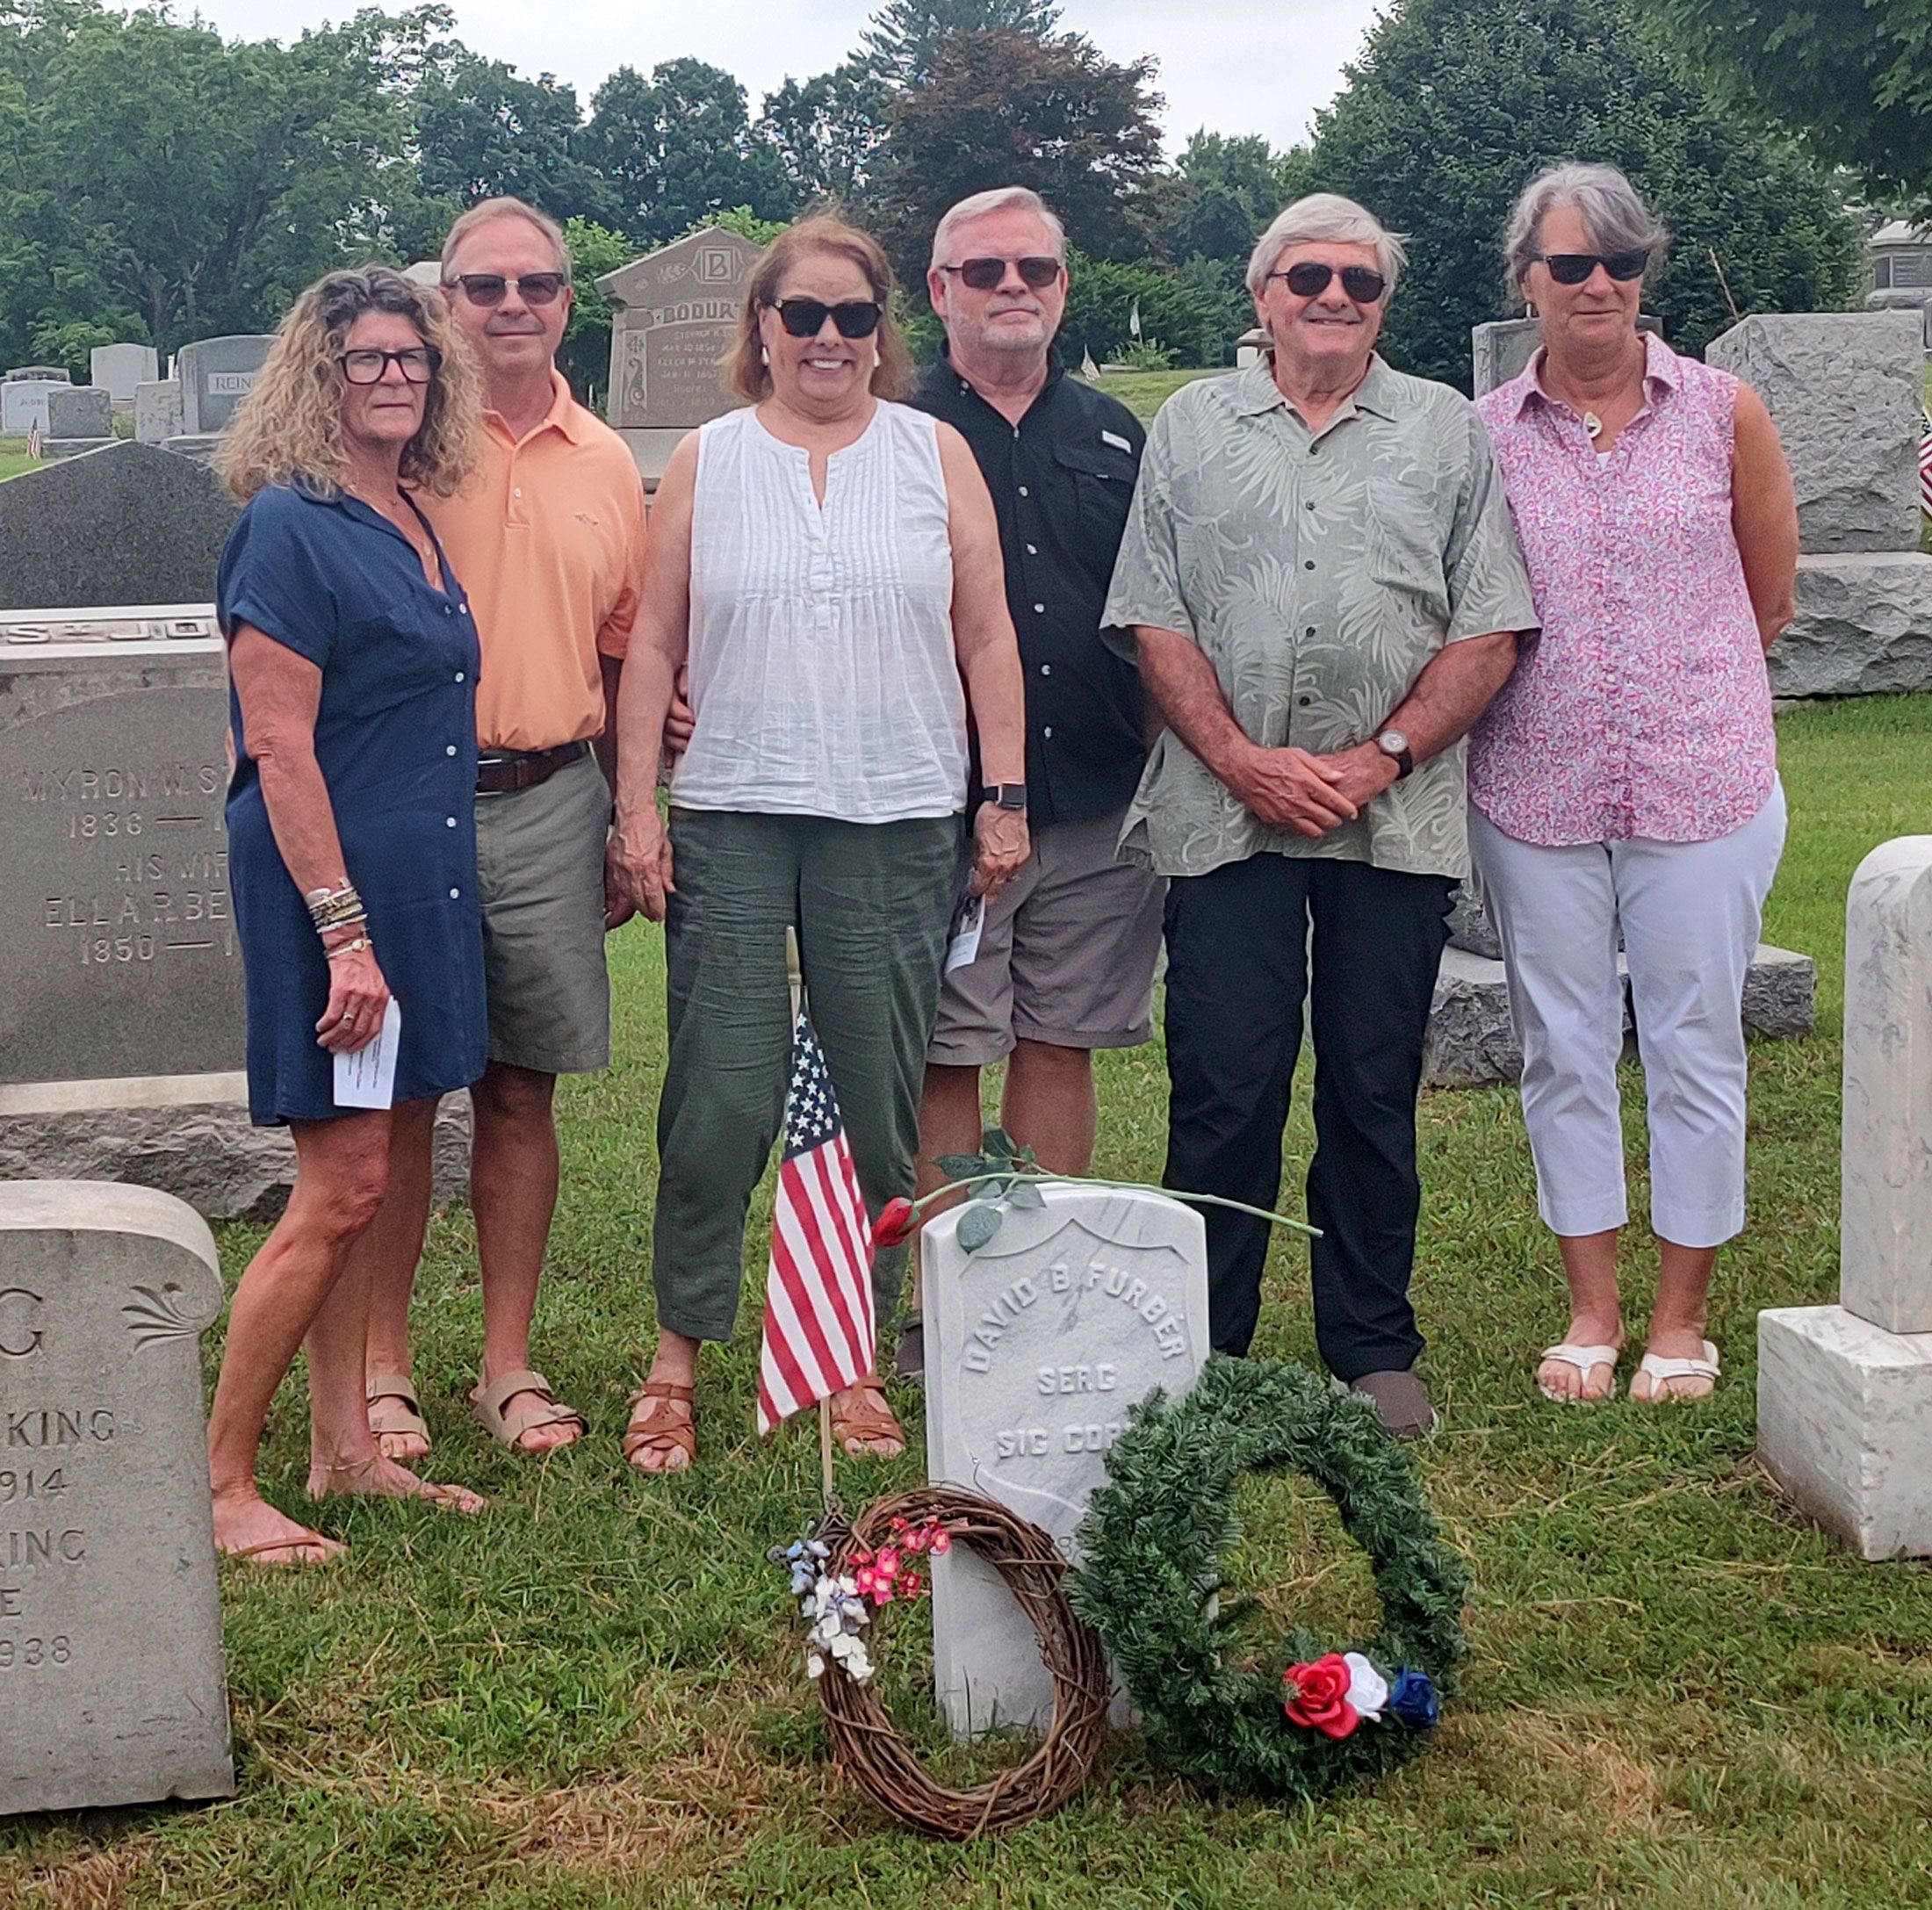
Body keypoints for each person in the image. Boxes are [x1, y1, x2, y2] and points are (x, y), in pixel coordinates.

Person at [1104, 193, 1539, 1439]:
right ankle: (1207, 1343)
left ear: (1383, 302)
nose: (1334, 299)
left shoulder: (1446, 433)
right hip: (1223, 813)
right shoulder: (1190, 426)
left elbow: (1489, 623)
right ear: (1263, 296)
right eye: (1309, 280)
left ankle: (1370, 1340)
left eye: (1360, 281)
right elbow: (1154, 613)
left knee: (1368, 1083)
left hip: (1389, 820)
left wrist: (1378, 757)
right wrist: (1242, 758)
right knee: (1225, 1087)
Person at [608, 214, 1029, 1471]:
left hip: (897, 811)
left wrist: (1000, 797)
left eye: (854, 316)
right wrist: (640, 808)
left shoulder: (933, 453)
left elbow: (990, 638)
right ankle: (680, 1350)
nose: (829, 338)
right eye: (805, 315)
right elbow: (657, 647)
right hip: (736, 807)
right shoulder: (708, 458)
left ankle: (851, 1355)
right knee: (722, 1091)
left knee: (874, 1095)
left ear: (881, 331)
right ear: (764, 328)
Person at [1469, 163, 1798, 1407]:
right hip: (1535, 792)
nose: (1599, 284)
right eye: (1571, 264)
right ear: (1528, 281)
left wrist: (1678, 690)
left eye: (1620, 261)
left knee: (1694, 1042)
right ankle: (1591, 1312)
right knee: (1561, 1048)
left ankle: (1680, 1321)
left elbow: (1768, 595)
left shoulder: (1725, 413)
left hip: (1702, 779)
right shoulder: (1485, 436)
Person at [205, 265, 488, 1563]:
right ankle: (222, 1487)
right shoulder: (290, 523)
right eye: (364, 360)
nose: (391, 377)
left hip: (416, 884)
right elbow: (278, 741)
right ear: (316, 378)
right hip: (336, 894)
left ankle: (344, 1454)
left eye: (410, 360)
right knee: (340, 1185)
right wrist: (342, 929)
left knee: (371, 1183)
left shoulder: (413, 513)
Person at [360, 197, 648, 1460]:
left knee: (521, 1089)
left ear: (568, 302)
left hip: (550, 802)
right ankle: (380, 1375)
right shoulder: (398, 447)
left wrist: (634, 816)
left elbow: (633, 653)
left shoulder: (606, 461)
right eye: (484, 289)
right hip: (412, 807)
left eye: (535, 285)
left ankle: (507, 1366)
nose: (512, 306)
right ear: (449, 302)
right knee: (405, 1094)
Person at [898, 188, 1164, 1379]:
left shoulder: (1115, 434)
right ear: (940, 286)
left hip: (1101, 796)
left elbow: (1162, 610)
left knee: (1061, 1037)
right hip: (941, 803)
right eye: (986, 268)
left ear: (1064, 285)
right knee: (949, 1050)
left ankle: (1045, 1285)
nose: (1015, 287)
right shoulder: (893, 432)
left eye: (1037, 269)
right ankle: (949, 1302)